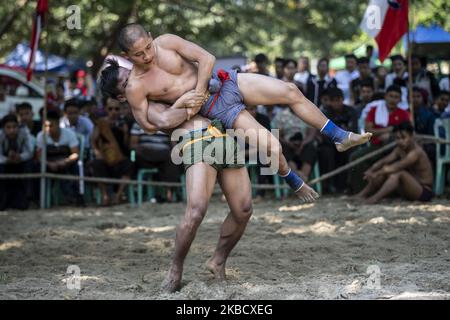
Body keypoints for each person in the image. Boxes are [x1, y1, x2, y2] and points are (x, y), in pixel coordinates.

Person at [99, 23, 372, 203]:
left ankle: (338, 136)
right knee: (271, 146)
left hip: (224, 80)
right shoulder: (136, 85)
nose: (147, 55)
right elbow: (150, 124)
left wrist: (197, 89)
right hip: (215, 107)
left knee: (290, 90)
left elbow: (206, 58)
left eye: (148, 47)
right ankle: (292, 179)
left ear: (149, 35)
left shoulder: (167, 42)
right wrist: (186, 105)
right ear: (127, 55)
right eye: (139, 54)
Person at [355, 122, 434, 204]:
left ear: (411, 137)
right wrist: (371, 170)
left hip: (424, 192)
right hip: (410, 188)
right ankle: (361, 195)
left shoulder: (416, 152)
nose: (400, 141)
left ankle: (374, 198)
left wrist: (376, 173)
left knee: (398, 173)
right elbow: (384, 161)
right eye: (397, 138)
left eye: (403, 138)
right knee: (386, 169)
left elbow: (396, 167)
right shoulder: (399, 149)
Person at [0, 114, 34, 210]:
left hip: (20, 163)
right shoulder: (0, 135)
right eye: (8, 127)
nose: (12, 130)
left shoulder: (24, 133)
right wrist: (7, 159)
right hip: (4, 164)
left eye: (14, 127)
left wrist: (20, 157)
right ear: (3, 128)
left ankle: (28, 198)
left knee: (29, 165)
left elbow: (29, 151)